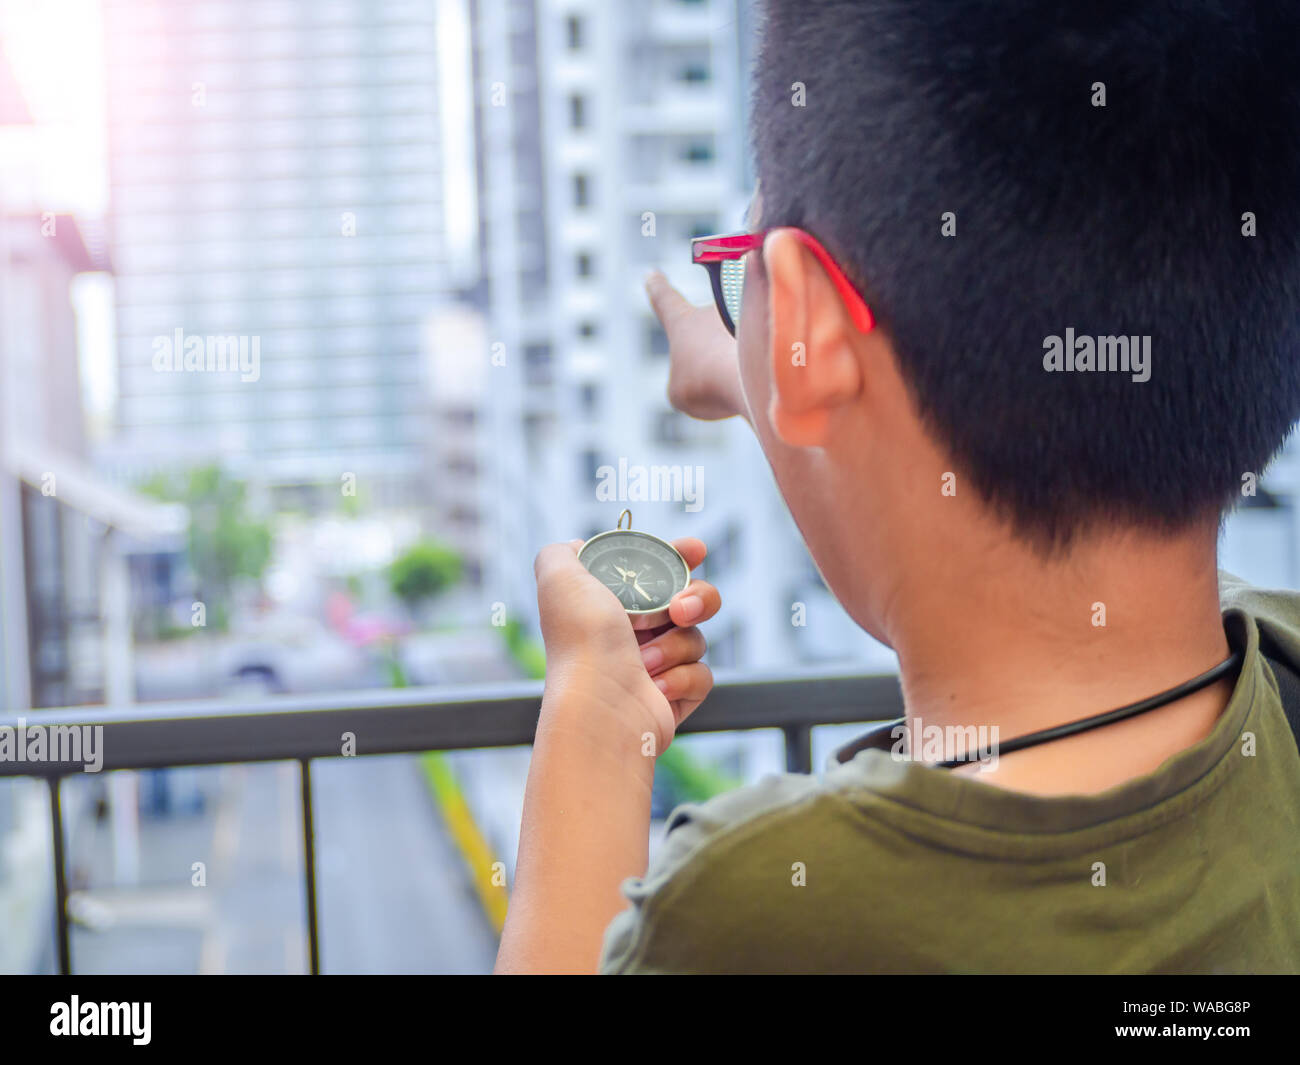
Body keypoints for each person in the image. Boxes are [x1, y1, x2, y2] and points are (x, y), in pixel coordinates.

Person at [495, 0, 1300, 973]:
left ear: (809, 337)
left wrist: (594, 719)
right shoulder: (1281, 667)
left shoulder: (758, 915)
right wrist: (761, 367)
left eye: (742, 273)